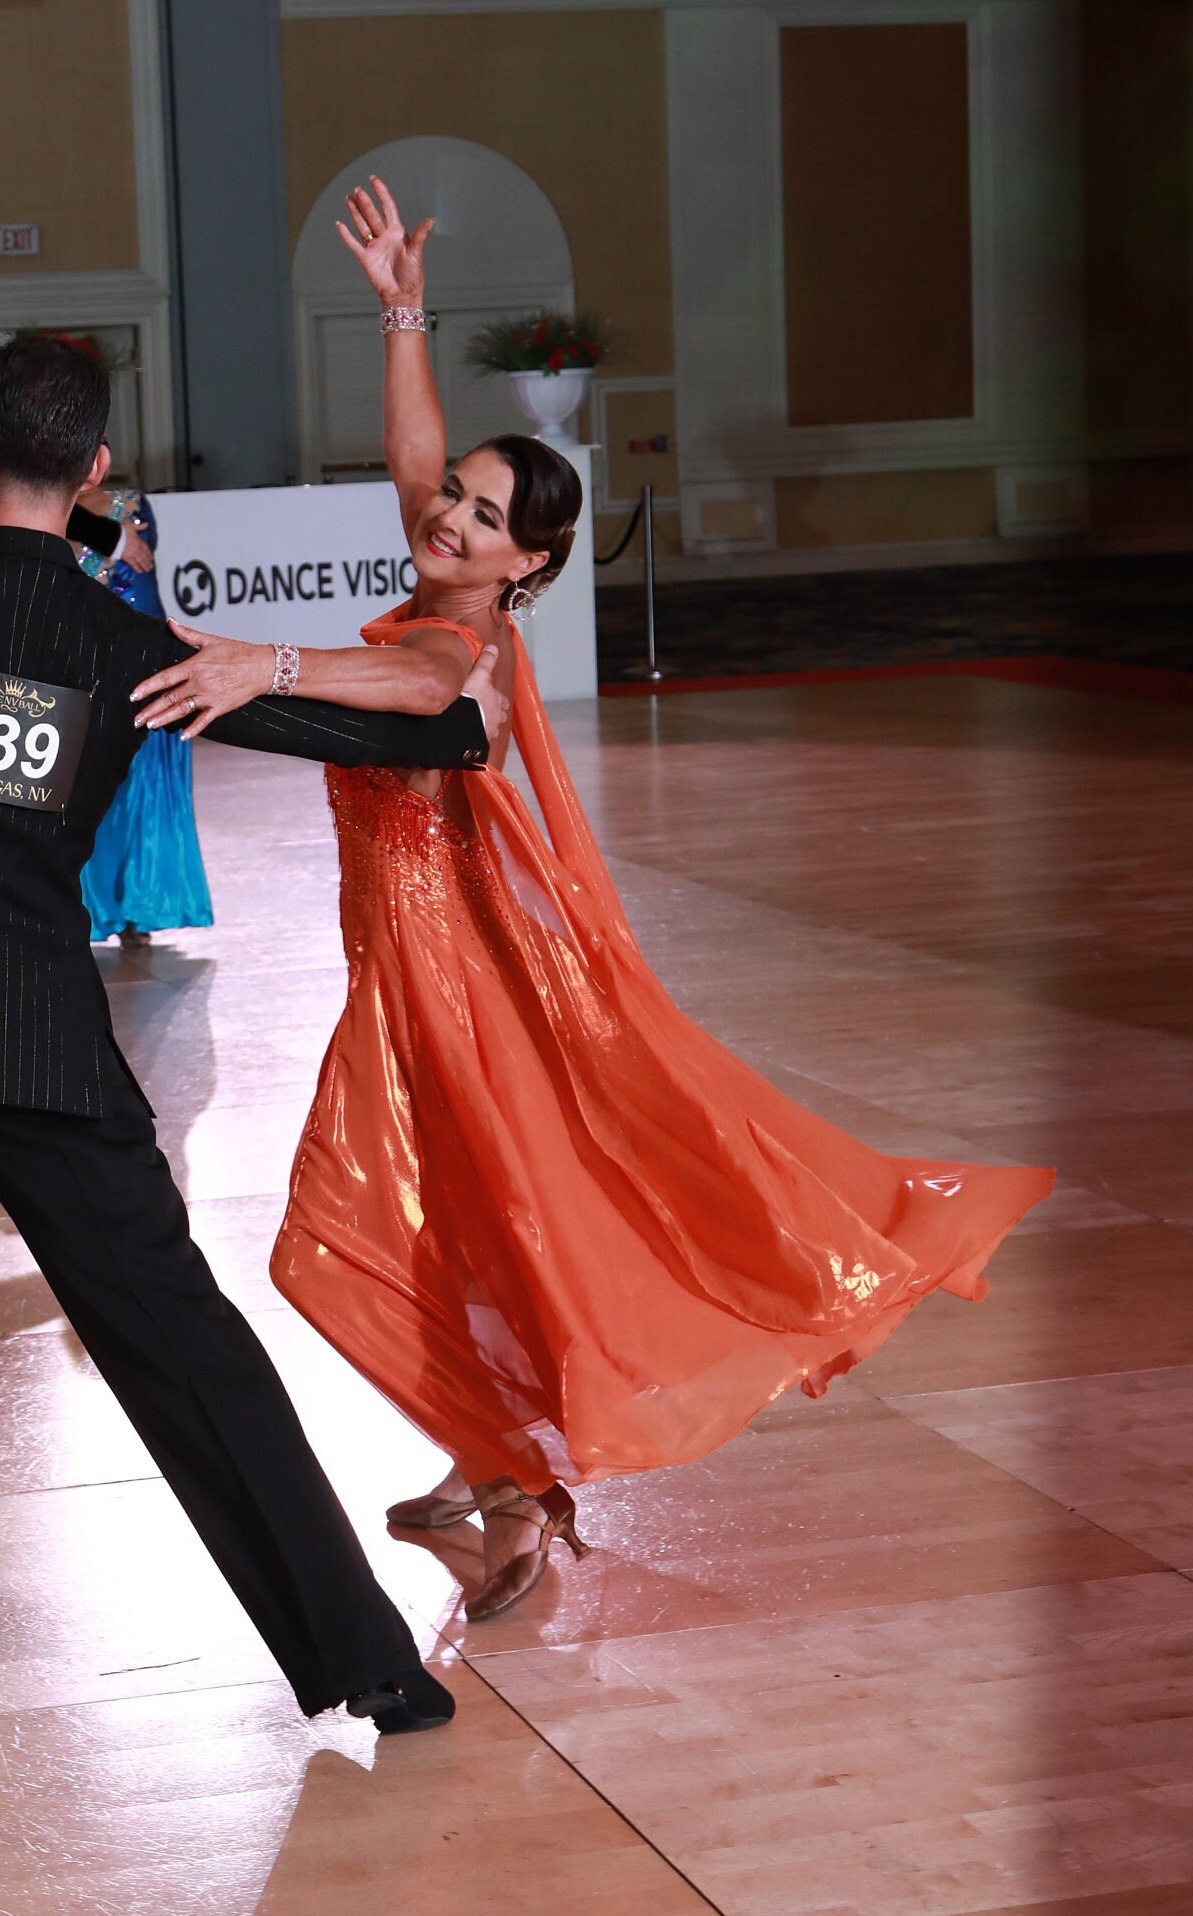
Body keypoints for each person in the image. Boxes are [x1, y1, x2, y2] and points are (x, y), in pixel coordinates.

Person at [133, 179, 1054, 1625]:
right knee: (454, 1223)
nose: (446, 514)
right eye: (453, 501)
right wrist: (398, 312)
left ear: (530, 562)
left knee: (414, 1223)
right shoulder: (448, 580)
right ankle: (493, 1475)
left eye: (482, 515)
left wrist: (271, 660)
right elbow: (415, 456)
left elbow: (421, 684)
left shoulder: (467, 648)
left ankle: (504, 1483)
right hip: (403, 966)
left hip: (451, 982)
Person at [0, 334, 505, 1729]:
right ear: (96, 469)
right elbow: (374, 729)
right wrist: (460, 729)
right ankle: (370, 1666)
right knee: (192, 1360)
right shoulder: (124, 645)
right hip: (38, 1053)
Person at [72, 480, 214, 946]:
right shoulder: (40, 509)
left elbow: (140, 571)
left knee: (139, 781)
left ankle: (141, 901)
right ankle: (92, 906)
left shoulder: (129, 505)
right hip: (81, 671)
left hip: (138, 668)